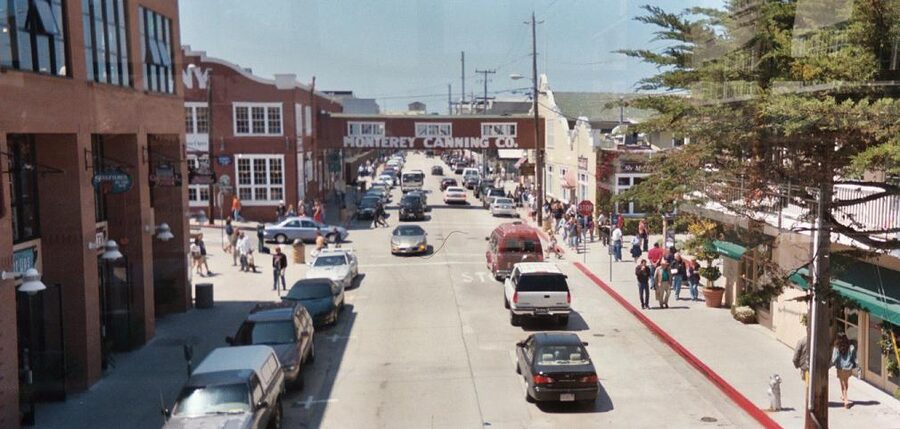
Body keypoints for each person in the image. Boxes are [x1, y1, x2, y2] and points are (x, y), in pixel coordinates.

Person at [831, 333, 858, 408]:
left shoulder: (836, 347)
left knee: (842, 382)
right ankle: (843, 395)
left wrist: (830, 364)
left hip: (840, 368)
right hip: (848, 368)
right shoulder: (851, 347)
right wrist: (856, 365)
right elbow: (855, 358)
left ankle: (846, 400)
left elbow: (834, 359)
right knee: (845, 382)